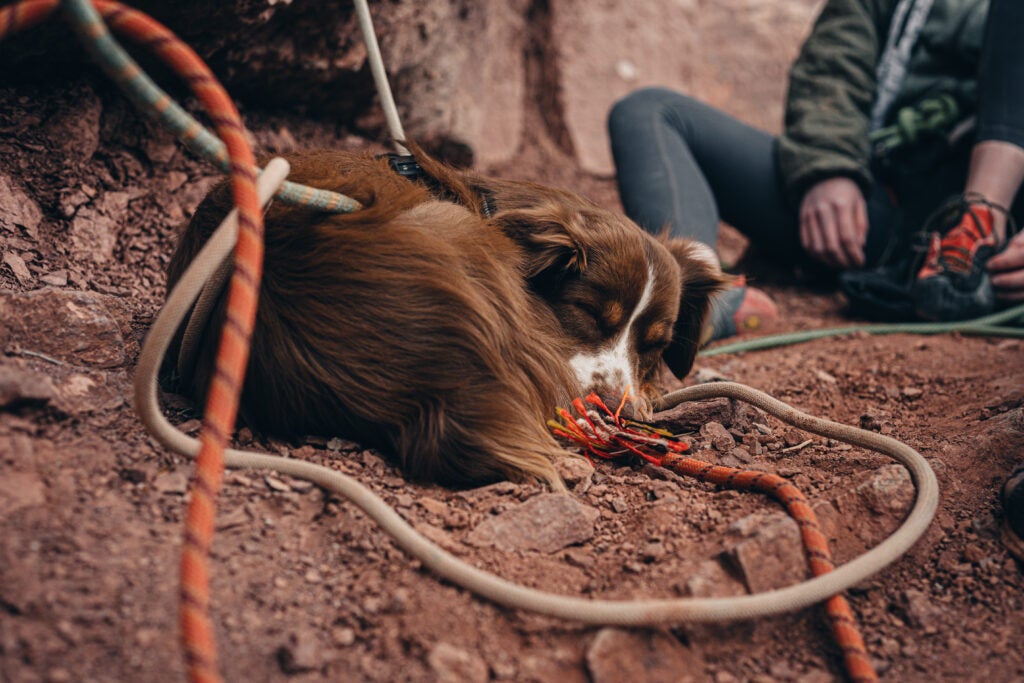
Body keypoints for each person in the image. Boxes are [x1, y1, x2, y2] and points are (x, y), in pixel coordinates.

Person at [607, 0, 1024, 341]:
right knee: (651, 113)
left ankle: (969, 238)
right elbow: (831, 69)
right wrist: (829, 168)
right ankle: (695, 296)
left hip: (996, 256)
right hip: (867, 216)